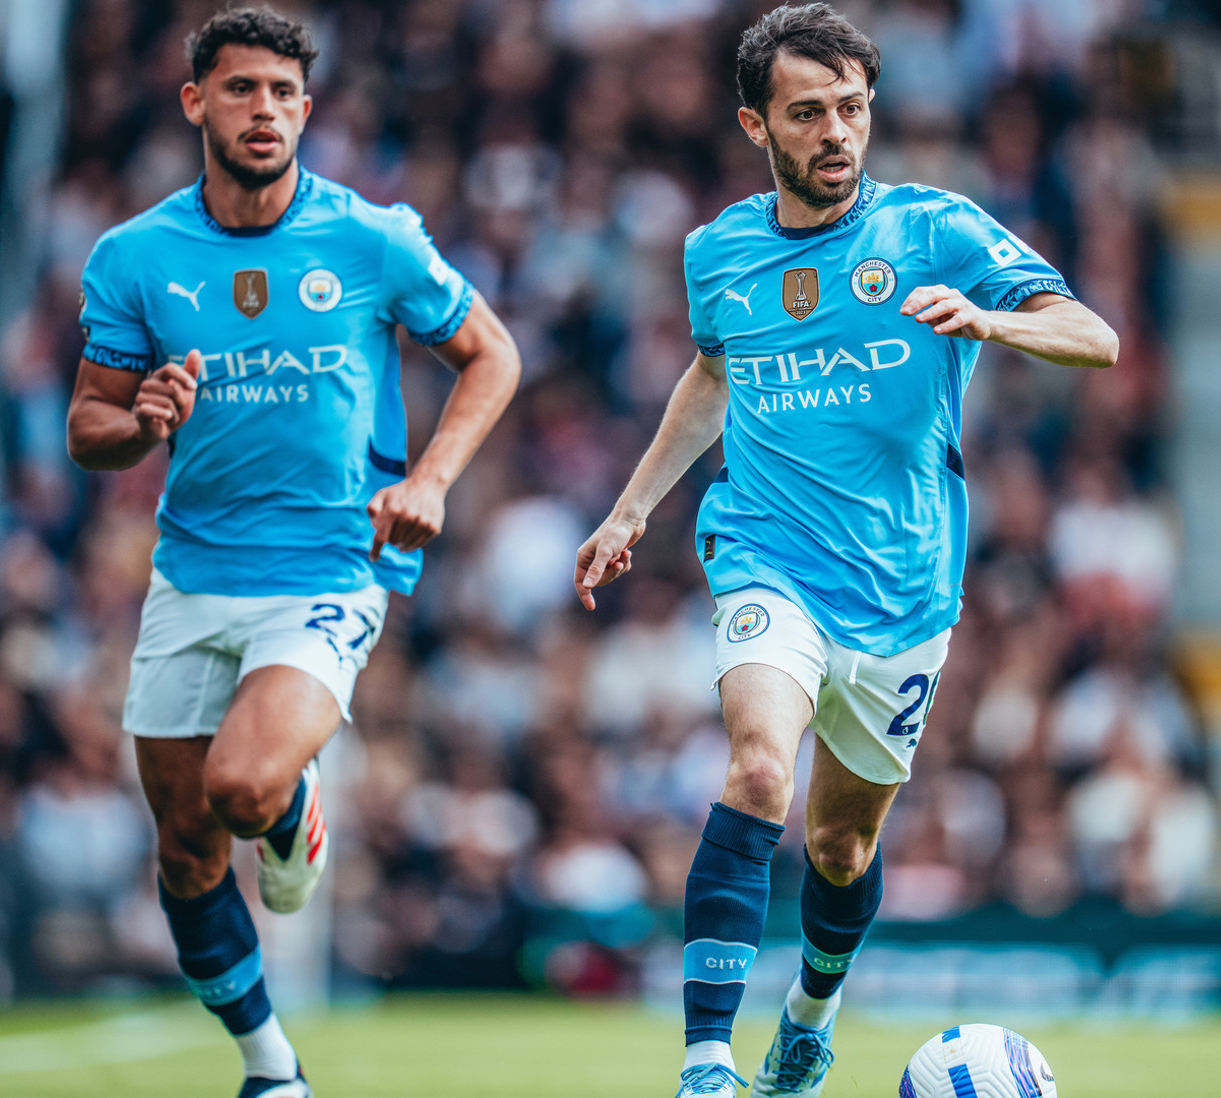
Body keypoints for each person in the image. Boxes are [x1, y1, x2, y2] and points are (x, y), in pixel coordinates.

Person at [572, 6, 1116, 1095]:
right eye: (808, 112)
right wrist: (631, 509)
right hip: (766, 557)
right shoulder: (716, 253)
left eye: (852, 110)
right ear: (754, 125)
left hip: (906, 593)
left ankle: (808, 1021)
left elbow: (1092, 336)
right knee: (759, 764)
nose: (835, 132)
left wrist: (990, 321)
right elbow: (713, 374)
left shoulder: (933, 230)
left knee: (840, 851)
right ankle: (706, 1064)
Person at [65, 9, 520, 1097]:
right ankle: (271, 1069)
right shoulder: (134, 257)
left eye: (281, 92)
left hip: (327, 568)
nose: (262, 110)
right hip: (189, 575)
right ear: (195, 104)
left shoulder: (370, 239)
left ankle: (291, 810)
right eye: (239, 90)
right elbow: (89, 424)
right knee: (183, 851)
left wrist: (429, 482)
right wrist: (142, 421)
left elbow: (489, 355)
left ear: (306, 110)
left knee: (242, 783)